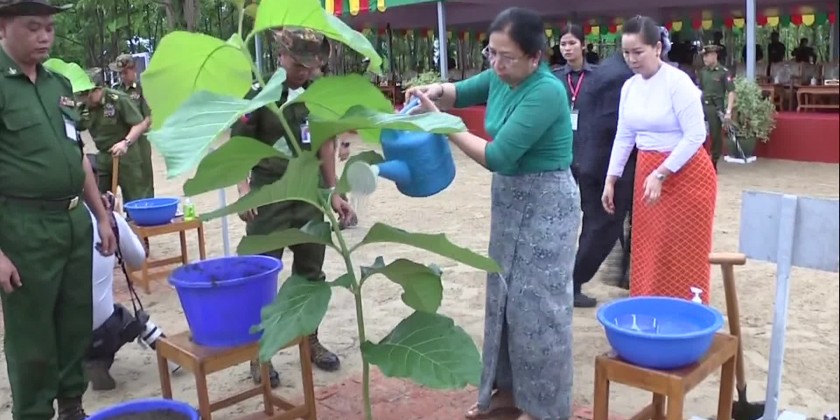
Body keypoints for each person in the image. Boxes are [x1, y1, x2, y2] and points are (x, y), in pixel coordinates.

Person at [407, 7, 580, 420]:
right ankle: (505, 394)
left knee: (540, 310)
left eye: (507, 57)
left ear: (535, 57)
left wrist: (445, 126)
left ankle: (546, 408)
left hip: (547, 204)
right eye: (492, 53)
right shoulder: (500, 77)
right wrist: (433, 92)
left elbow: (499, 156)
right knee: (502, 299)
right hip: (510, 201)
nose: (497, 64)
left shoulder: (545, 91)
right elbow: (460, 91)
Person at [0, 1, 117, 419]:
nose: (44, 36)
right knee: (32, 335)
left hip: (72, 222)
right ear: (4, 27)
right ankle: (33, 412)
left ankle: (72, 406)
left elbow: (77, 155)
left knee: (73, 323)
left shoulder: (59, 85)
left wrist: (101, 216)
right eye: (33, 28)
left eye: (49, 27)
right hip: (24, 229)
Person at [231, 26, 355, 388]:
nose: (303, 70)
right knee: (261, 277)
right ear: (280, 55)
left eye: (309, 65)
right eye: (297, 63)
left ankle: (310, 339)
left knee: (310, 274)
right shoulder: (259, 94)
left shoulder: (317, 95)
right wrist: (243, 189)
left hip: (308, 198)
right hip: (269, 196)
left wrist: (332, 192)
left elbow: (325, 145)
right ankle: (261, 353)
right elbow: (239, 146)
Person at [602, 16, 716, 306]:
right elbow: (624, 135)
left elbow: (696, 135)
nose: (632, 59)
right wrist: (611, 178)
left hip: (686, 172)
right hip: (647, 171)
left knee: (683, 248)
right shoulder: (629, 87)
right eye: (626, 53)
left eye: (638, 52)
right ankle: (649, 305)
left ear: (656, 48)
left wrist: (662, 172)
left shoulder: (678, 83)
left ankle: (687, 310)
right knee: (650, 245)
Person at [84, 191, 179, 391]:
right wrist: (119, 220)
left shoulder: (48, 224)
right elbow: (137, 258)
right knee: (133, 318)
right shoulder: (110, 220)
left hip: (58, 332)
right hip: (100, 329)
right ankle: (173, 357)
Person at [571, 48, 637, 305]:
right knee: (603, 229)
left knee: (595, 227)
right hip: (605, 167)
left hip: (588, 161)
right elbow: (615, 127)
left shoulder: (607, 70)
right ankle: (573, 282)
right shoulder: (619, 77)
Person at [551, 23, 599, 307]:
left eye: (572, 43)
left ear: (583, 45)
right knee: (563, 222)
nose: (567, 48)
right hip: (562, 158)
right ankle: (561, 284)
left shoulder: (598, 78)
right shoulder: (555, 79)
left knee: (591, 222)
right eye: (563, 44)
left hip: (592, 157)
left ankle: (576, 282)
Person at [77, 71, 151, 205]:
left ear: (98, 89)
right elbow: (77, 125)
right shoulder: (84, 107)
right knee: (100, 198)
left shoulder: (118, 99)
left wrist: (125, 143)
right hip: (103, 156)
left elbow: (139, 124)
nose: (84, 99)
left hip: (126, 155)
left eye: (87, 94)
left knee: (135, 200)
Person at [109, 53, 154, 198]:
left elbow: (148, 118)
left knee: (143, 178)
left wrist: (135, 133)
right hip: (121, 140)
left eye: (125, 72)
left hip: (140, 142)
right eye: (119, 73)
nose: (122, 76)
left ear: (134, 69)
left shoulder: (143, 89)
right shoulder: (115, 90)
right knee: (127, 180)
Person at [699, 43, 735, 171]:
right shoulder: (703, 72)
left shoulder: (723, 72)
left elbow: (731, 91)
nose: (705, 59)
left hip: (716, 109)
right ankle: (700, 161)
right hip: (703, 107)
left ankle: (714, 161)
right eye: (704, 56)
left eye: (707, 56)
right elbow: (701, 89)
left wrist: (729, 111)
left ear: (714, 56)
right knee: (699, 134)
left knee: (715, 137)